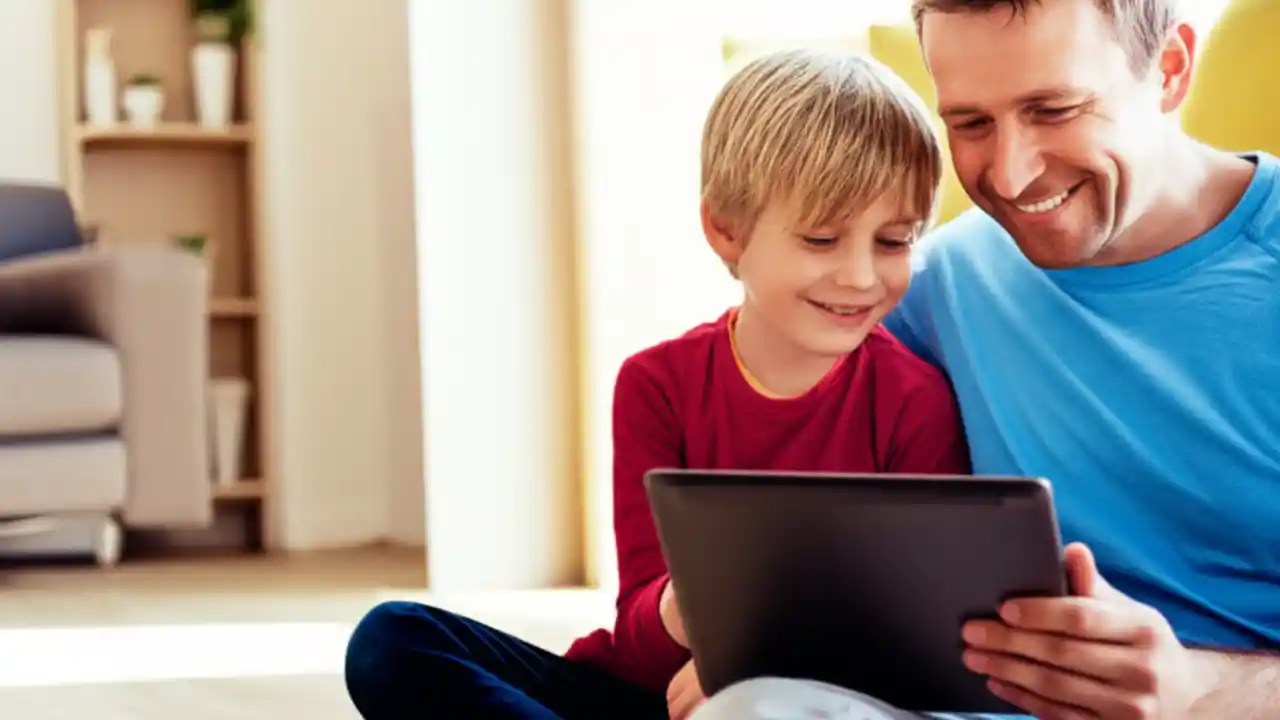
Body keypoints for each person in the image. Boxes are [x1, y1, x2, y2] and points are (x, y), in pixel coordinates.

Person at [342, 48, 971, 720]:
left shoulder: (913, 398)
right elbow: (640, 639)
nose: (859, 276)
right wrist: (688, 606)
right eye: (821, 239)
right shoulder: (657, 385)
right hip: (649, 698)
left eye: (895, 241)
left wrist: (760, 665)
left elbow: (922, 637)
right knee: (393, 638)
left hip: (806, 700)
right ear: (726, 230)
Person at [693, 1, 1280, 718]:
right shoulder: (928, 288)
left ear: (1169, 69)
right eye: (970, 123)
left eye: (1055, 109)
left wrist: (1200, 690)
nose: (1010, 174)